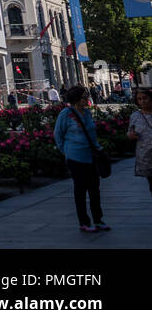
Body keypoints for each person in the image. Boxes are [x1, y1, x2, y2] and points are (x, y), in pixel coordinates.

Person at [54, 85, 108, 232]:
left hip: (91, 156)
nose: (87, 99)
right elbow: (58, 134)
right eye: (85, 97)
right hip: (75, 158)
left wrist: (98, 148)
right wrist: (66, 152)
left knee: (94, 190)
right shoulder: (66, 114)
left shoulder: (87, 113)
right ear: (77, 99)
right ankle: (84, 222)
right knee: (80, 190)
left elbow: (92, 133)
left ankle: (98, 220)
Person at [126, 87, 152, 196]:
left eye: (144, 98)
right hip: (146, 156)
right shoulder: (135, 116)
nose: (142, 101)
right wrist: (130, 135)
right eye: (139, 99)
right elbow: (129, 132)